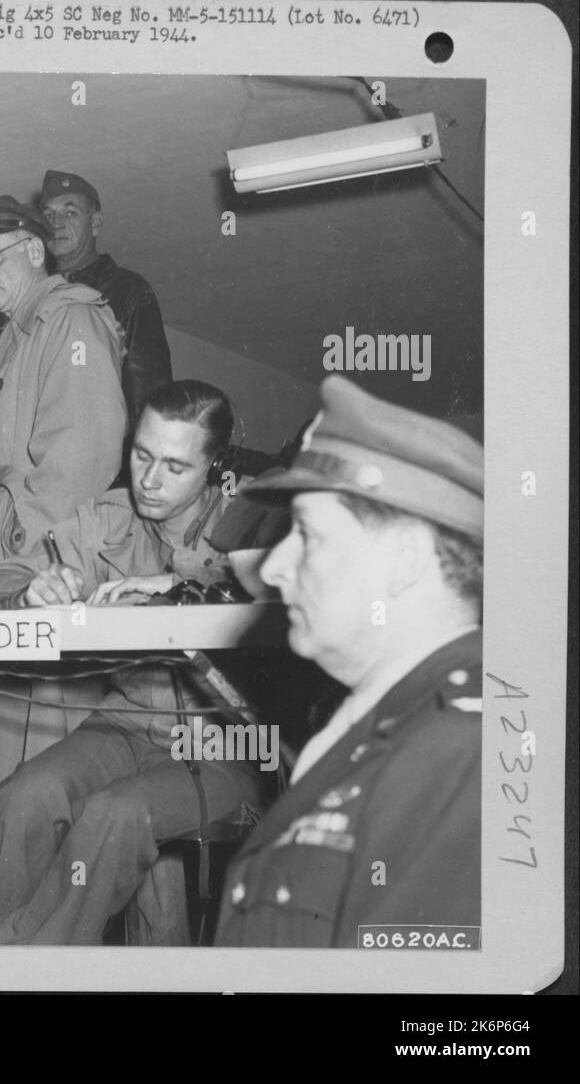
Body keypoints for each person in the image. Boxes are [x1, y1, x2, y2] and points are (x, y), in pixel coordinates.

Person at [0, 381, 280, 944]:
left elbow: (306, 586)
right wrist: (29, 591)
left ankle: (4, 970)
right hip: (127, 721)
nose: (150, 481)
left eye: (175, 466)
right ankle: (1, 965)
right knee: (22, 800)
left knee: (115, 815)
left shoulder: (255, 514)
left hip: (230, 741)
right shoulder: (108, 519)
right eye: (141, 455)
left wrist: (183, 582)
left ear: (214, 465)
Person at [214, 375, 483, 947]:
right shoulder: (375, 726)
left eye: (307, 535)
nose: (273, 567)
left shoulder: (460, 749)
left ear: (405, 557)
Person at [0, 191, 127, 815]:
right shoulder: (8, 339)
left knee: (44, 792)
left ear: (34, 249)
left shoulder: (70, 321)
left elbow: (79, 461)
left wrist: (20, 573)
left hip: (38, 574)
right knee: (2, 795)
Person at [40, 169, 172, 430]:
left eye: (70, 213)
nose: (56, 223)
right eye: (48, 215)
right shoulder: (36, 297)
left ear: (96, 222)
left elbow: (148, 396)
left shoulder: (128, 290)